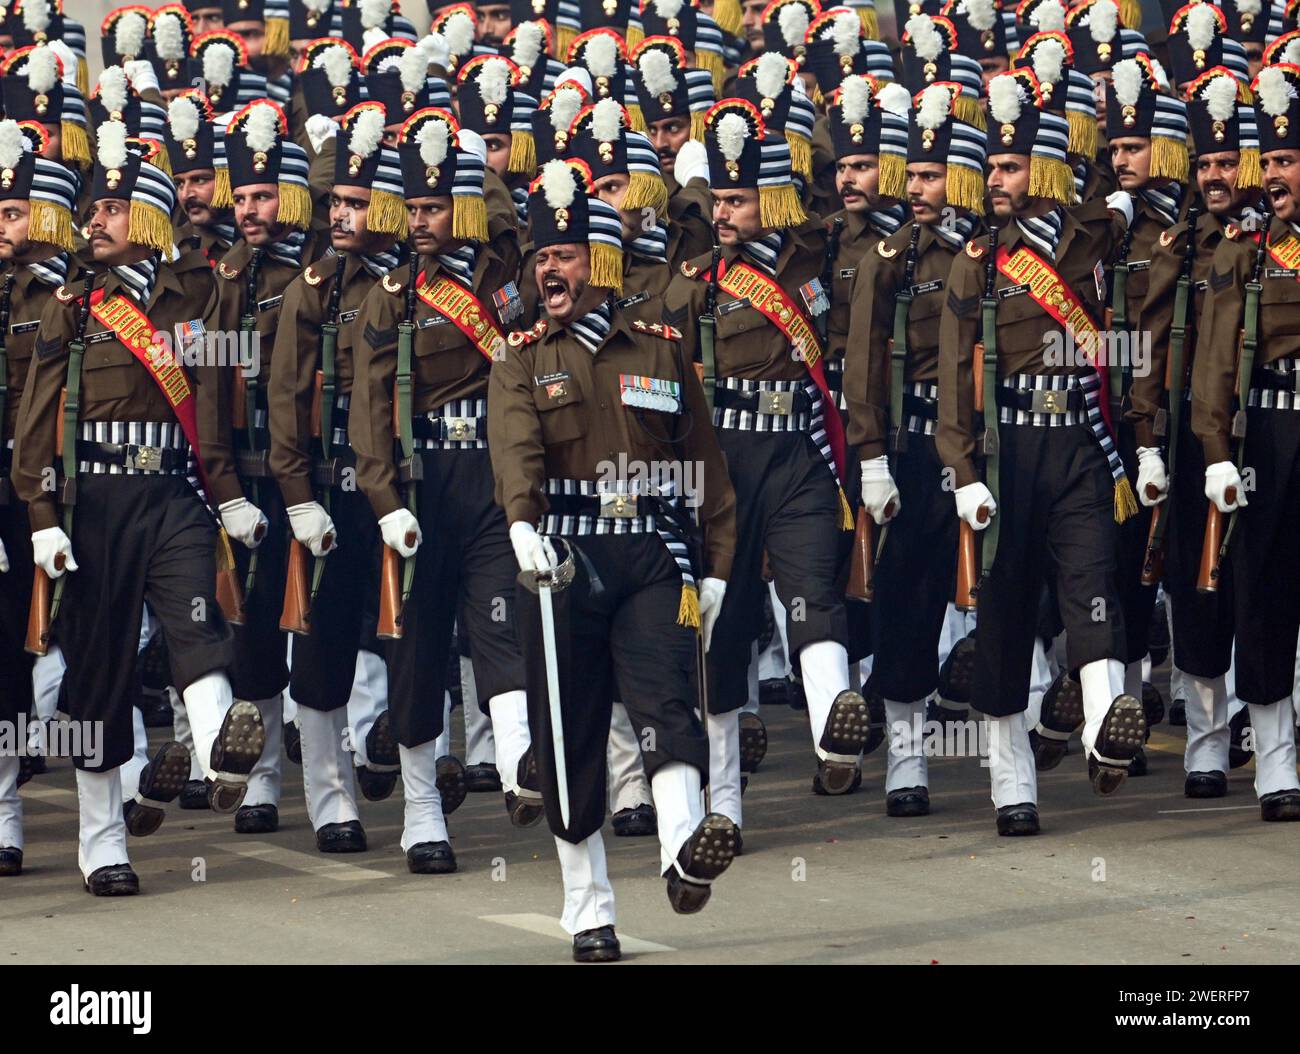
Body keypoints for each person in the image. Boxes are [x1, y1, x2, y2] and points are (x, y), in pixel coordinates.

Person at [489, 156, 738, 962]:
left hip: (653, 554)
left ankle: (680, 851)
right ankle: (587, 906)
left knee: (668, 703)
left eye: (560, 255)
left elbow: (703, 461)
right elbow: (516, 450)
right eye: (538, 257)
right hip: (561, 561)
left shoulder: (660, 350)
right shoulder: (522, 356)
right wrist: (523, 525)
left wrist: (721, 565)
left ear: (599, 260)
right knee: (570, 738)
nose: (545, 269)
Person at [12, 121, 266, 894]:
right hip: (91, 501)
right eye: (93, 211)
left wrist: (228, 499)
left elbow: (214, 408)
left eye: (112, 210)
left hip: (171, 495)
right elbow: (33, 420)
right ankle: (104, 845)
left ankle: (224, 739)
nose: (94, 222)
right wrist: (42, 517)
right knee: (97, 672)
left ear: (150, 218)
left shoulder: (203, 294)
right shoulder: (70, 304)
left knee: (197, 621)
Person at [937, 68, 1144, 835]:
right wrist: (960, 472)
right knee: (1006, 611)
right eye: (992, 166)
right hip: (1005, 450)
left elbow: (1142, 202)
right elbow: (956, 381)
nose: (996, 180)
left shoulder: (1092, 234)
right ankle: (1010, 782)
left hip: (1082, 441)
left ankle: (1100, 730)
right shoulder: (977, 262)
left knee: (1094, 585)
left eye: (1012, 167)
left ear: (1048, 169)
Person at [350, 107, 537, 873]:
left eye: (434, 208)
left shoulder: (507, 280)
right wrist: (385, 502)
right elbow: (367, 418)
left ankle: (525, 764)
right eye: (413, 208)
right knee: (418, 652)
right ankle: (423, 811)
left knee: (503, 628)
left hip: (491, 481)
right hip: (422, 491)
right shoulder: (388, 297)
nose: (419, 222)